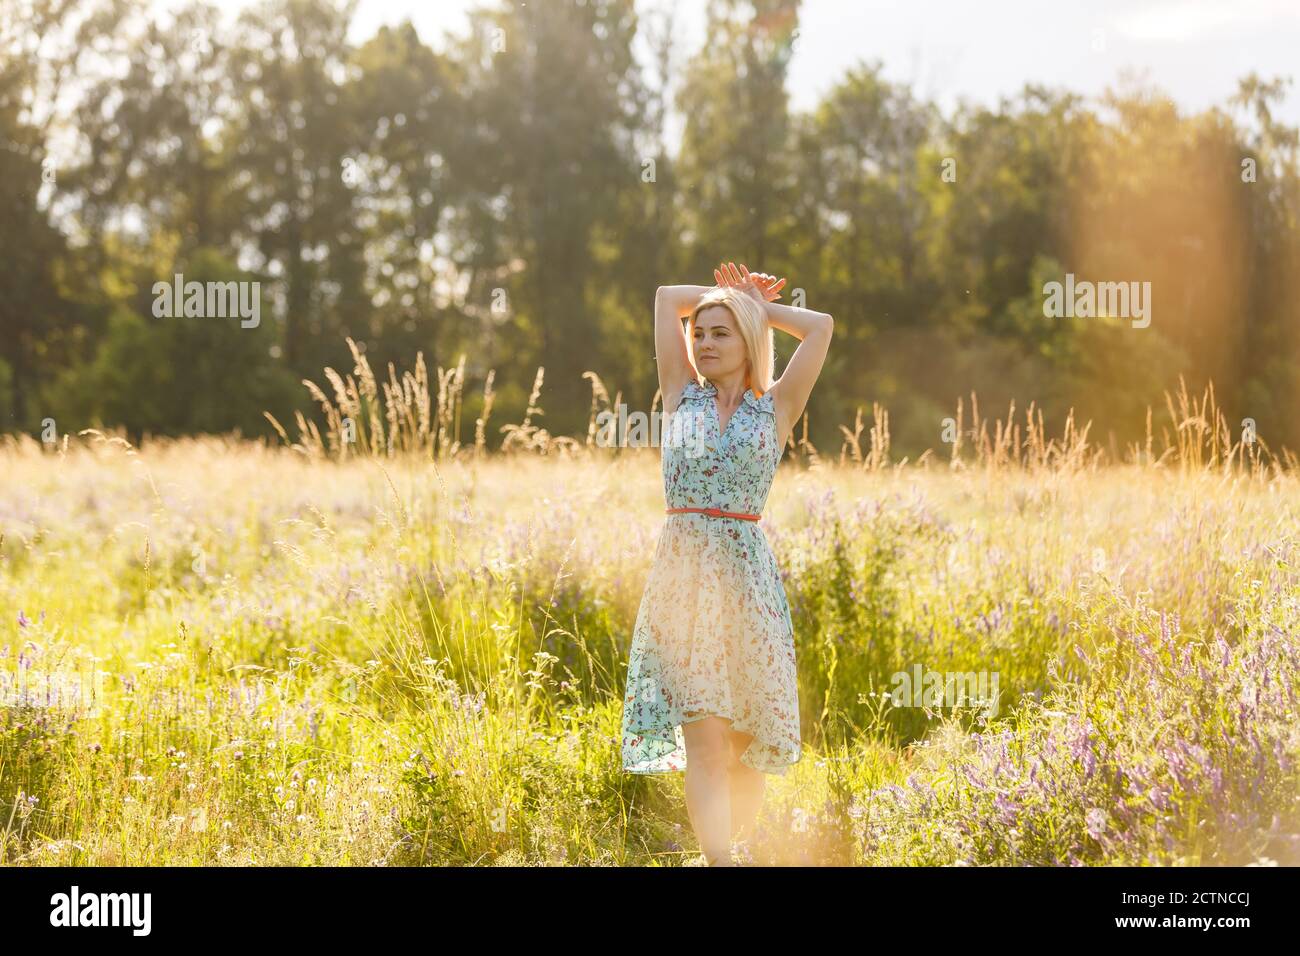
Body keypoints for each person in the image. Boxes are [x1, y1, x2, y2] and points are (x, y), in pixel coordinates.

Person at [620, 260, 834, 866]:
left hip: (748, 587)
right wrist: (729, 298)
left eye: (722, 332)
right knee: (706, 742)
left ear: (748, 342)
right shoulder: (678, 392)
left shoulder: (777, 409)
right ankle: (718, 860)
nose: (705, 342)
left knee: (744, 745)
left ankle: (739, 850)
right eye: (701, 333)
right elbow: (666, 296)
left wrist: (755, 307)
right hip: (683, 587)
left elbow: (820, 327)